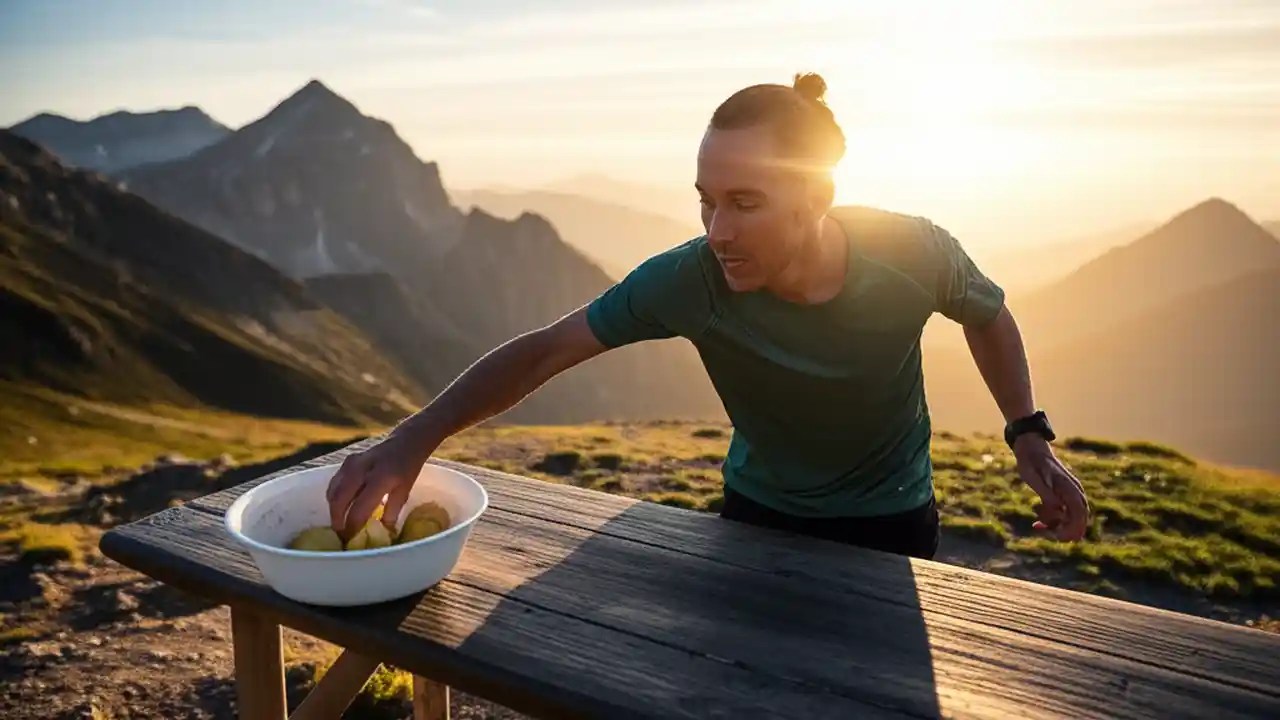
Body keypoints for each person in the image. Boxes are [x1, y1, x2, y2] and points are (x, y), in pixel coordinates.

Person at [326, 72, 1090, 560]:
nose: (717, 231)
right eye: (706, 201)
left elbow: (987, 313)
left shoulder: (912, 252)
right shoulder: (691, 280)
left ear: (817, 199)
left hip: (893, 521)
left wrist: (1027, 432)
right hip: (753, 515)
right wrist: (411, 439)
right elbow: (544, 351)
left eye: (745, 204)